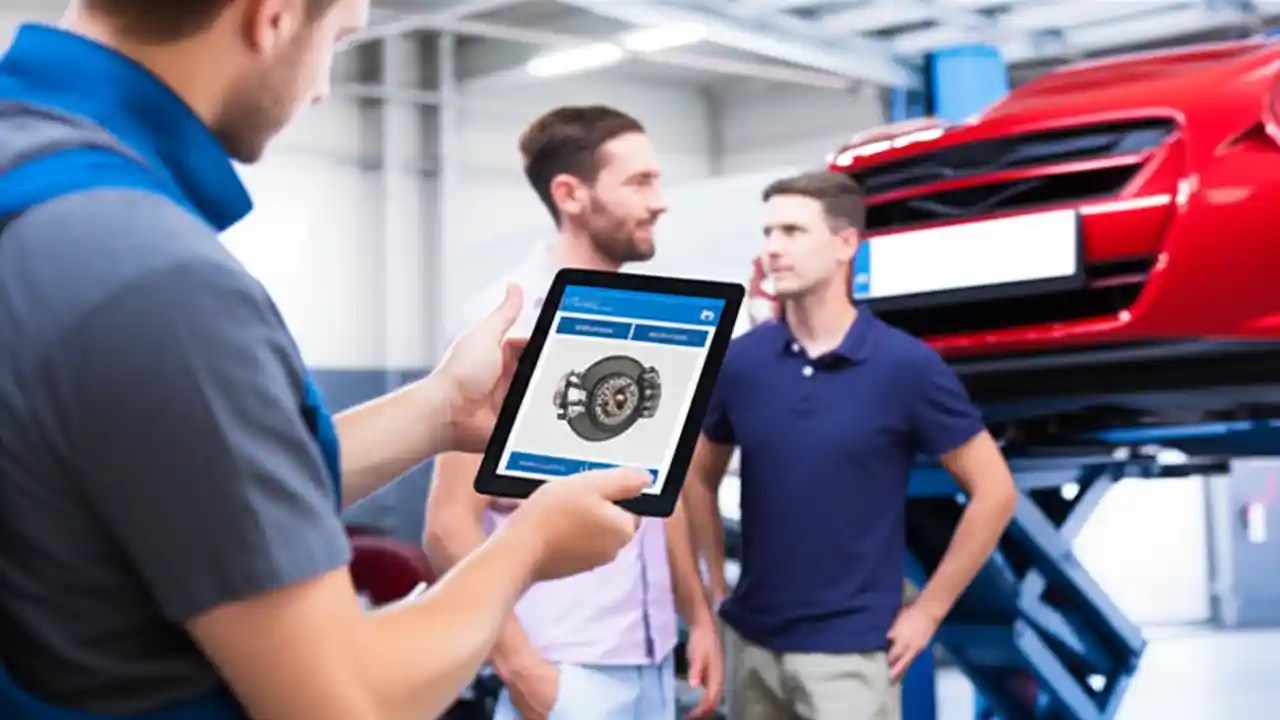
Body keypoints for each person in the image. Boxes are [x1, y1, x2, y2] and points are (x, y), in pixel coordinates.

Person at [0, 3, 652, 720]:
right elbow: (349, 700)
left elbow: (194, 495)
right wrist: (528, 545)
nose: (321, 89)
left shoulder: (34, 182)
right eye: (336, 41)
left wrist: (439, 410)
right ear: (272, 17)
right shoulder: (157, 279)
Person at [682, 170, 1018, 720]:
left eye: (793, 231)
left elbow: (995, 492)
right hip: (751, 649)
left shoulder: (906, 367)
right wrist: (715, 589)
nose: (773, 248)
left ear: (845, 244)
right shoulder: (741, 362)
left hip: (852, 658)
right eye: (768, 232)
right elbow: (696, 476)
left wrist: (929, 612)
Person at [425, 105, 724, 720]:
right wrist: (522, 669)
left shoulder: (647, 317)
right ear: (570, 194)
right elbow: (448, 525)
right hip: (563, 667)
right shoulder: (508, 321)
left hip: (651, 658)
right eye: (639, 182)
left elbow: (653, 491)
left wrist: (696, 617)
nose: (661, 201)